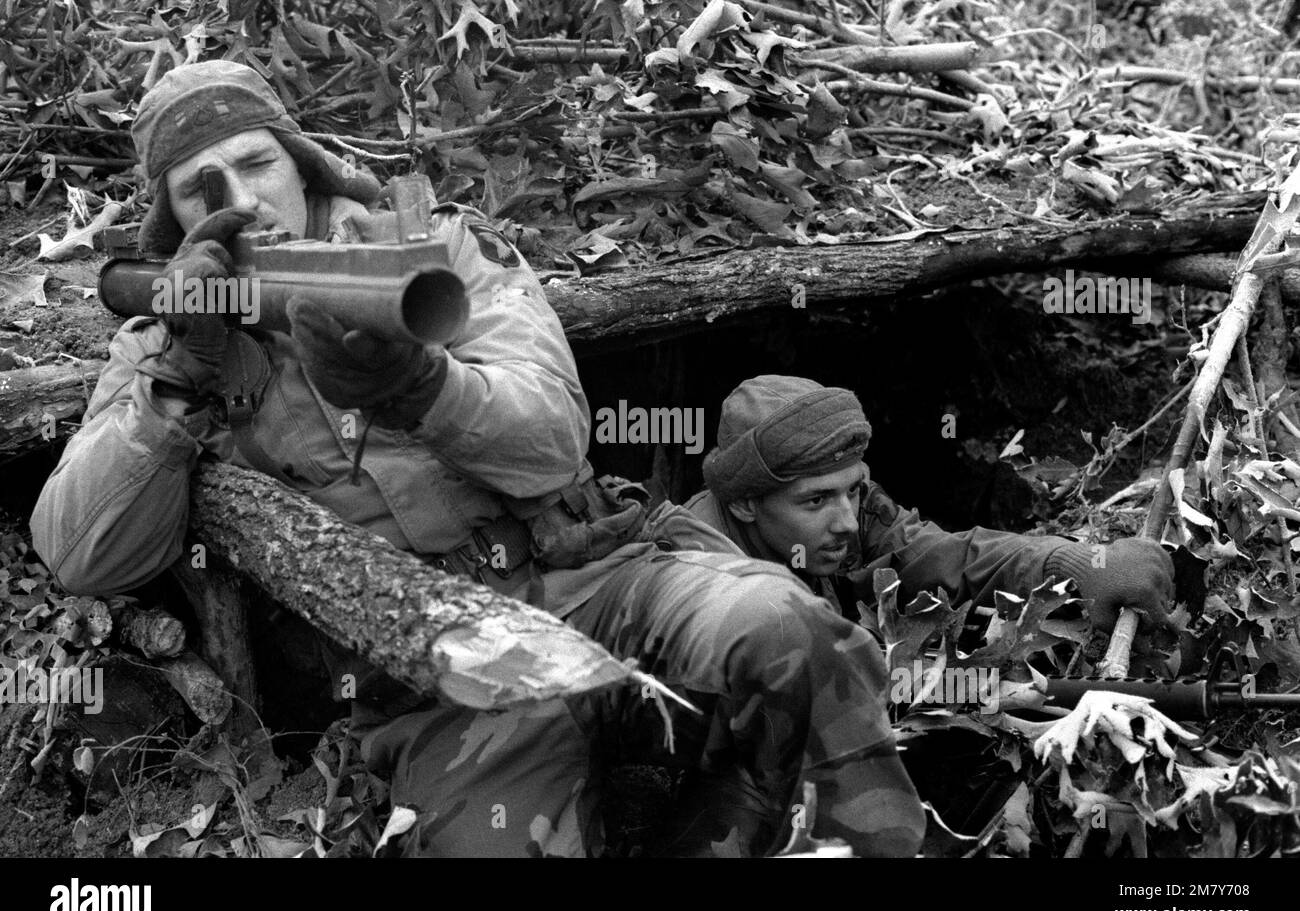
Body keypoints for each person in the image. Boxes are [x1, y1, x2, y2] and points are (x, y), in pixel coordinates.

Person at [30, 62, 926, 858]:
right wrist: (182, 375)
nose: (242, 198)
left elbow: (550, 442)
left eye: (258, 164)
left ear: (301, 163)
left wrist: (421, 386)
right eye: (202, 187)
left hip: (593, 583)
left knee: (782, 626)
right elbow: (82, 552)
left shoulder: (436, 252)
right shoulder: (168, 339)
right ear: (172, 215)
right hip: (436, 676)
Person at [682, 375, 1177, 635]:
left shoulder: (845, 514)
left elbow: (941, 556)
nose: (847, 521)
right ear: (746, 505)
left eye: (852, 490)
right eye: (815, 500)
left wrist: (1073, 563)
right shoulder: (696, 579)